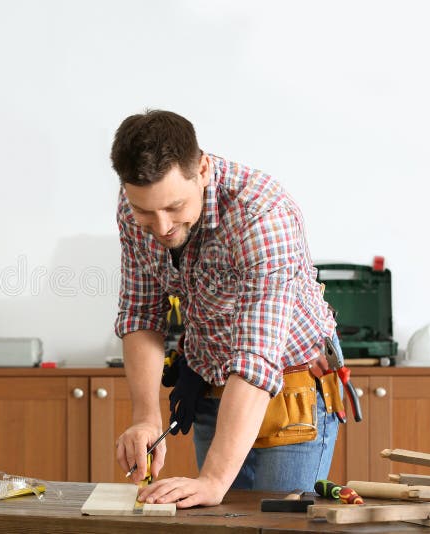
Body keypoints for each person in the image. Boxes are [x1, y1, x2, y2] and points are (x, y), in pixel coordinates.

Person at [111, 109, 342, 509]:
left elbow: (256, 359)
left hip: (288, 392)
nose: (161, 225)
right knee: (219, 522)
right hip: (211, 384)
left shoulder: (263, 215)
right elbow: (141, 313)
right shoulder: (138, 207)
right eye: (146, 212)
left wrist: (214, 479)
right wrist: (145, 416)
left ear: (201, 169)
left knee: (273, 525)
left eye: (174, 207)